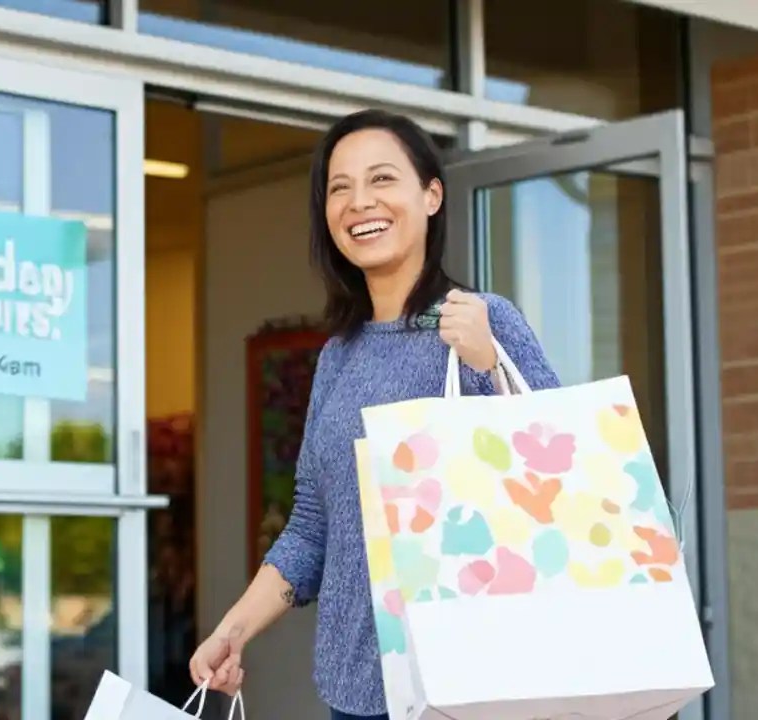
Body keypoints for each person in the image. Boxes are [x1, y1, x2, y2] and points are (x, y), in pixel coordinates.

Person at [188, 109, 560, 720]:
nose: (360, 202)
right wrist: (233, 628)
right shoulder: (339, 356)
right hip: (356, 688)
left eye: (382, 180)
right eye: (340, 188)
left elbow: (558, 475)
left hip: (470, 682)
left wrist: (490, 362)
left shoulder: (479, 320)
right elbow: (311, 528)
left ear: (431, 195)